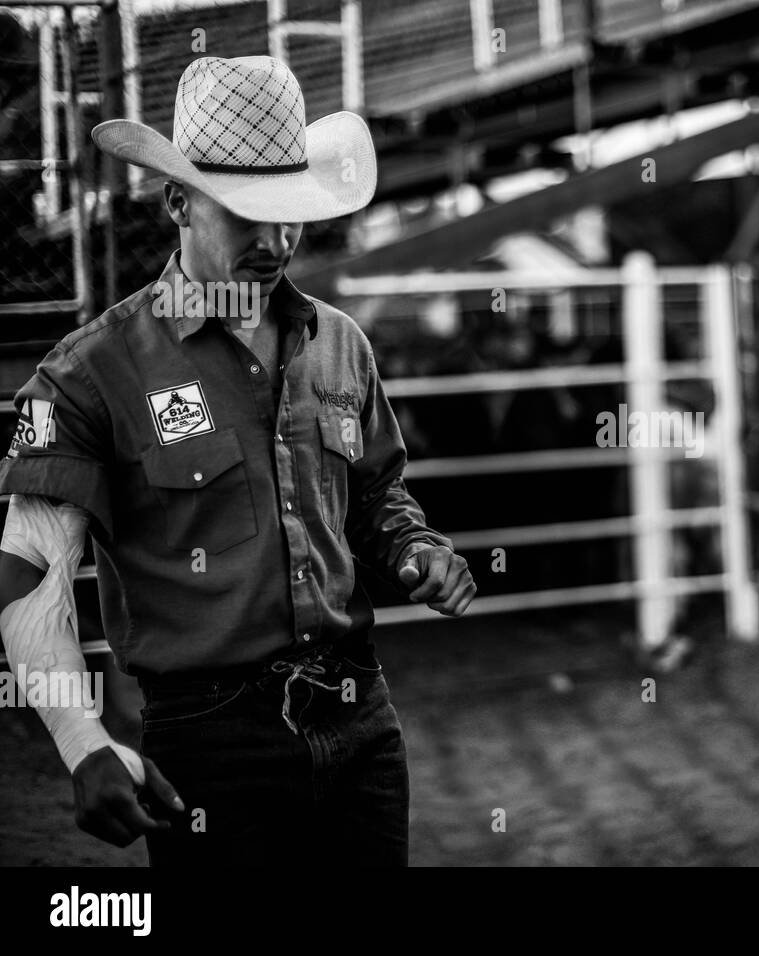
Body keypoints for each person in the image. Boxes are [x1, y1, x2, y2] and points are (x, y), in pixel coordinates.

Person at [0, 56, 475, 866]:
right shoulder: (87, 372)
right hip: (208, 742)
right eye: (247, 213)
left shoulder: (340, 344)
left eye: (291, 212)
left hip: (360, 716)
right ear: (176, 201)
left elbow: (375, 495)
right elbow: (27, 571)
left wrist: (412, 549)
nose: (277, 239)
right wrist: (82, 742)